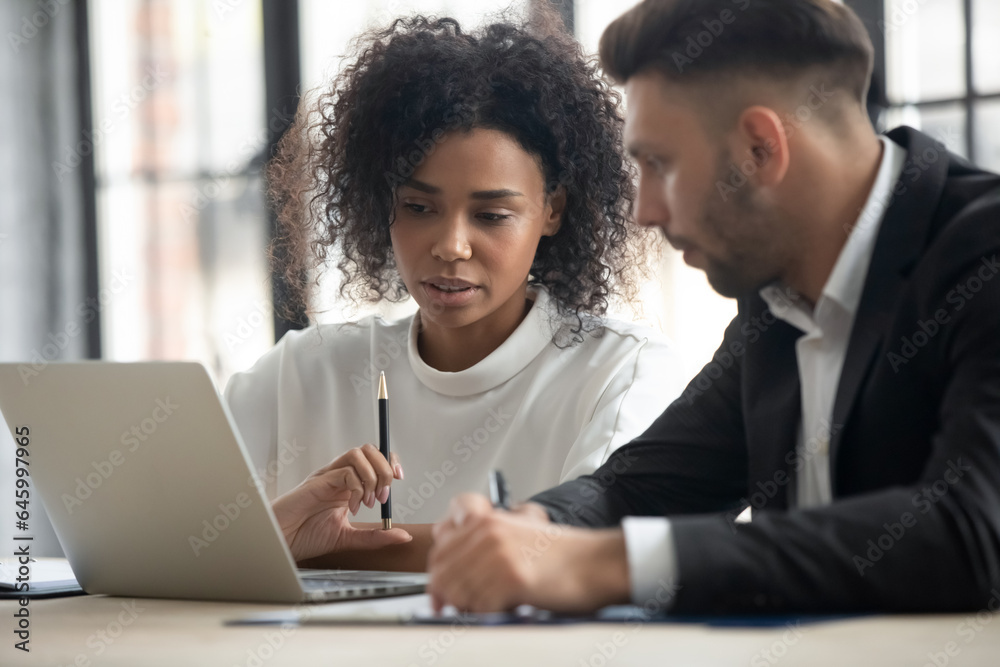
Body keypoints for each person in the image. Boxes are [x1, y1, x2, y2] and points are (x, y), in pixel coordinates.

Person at [426, 0, 1000, 614]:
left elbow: (971, 536)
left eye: (659, 164)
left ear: (760, 147)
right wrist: (531, 526)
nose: (645, 211)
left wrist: (609, 564)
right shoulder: (777, 293)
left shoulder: (983, 257)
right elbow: (643, 486)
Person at [223, 12, 680, 570]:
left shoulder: (622, 373)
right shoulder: (303, 369)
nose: (451, 246)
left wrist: (322, 548)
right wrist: (272, 535)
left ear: (552, 210)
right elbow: (172, 537)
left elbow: (591, 555)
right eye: (418, 208)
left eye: (490, 215)